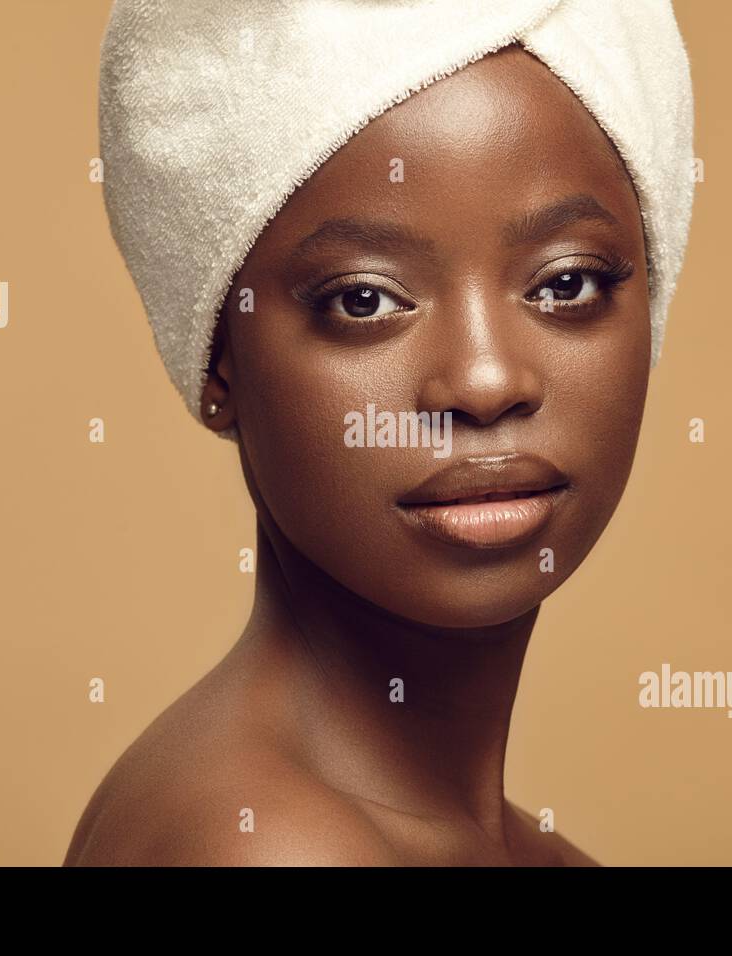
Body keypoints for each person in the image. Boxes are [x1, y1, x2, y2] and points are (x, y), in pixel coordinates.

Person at [66, 0, 694, 866]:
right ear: (220, 363)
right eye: (364, 300)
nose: (483, 380)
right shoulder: (263, 848)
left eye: (568, 284)